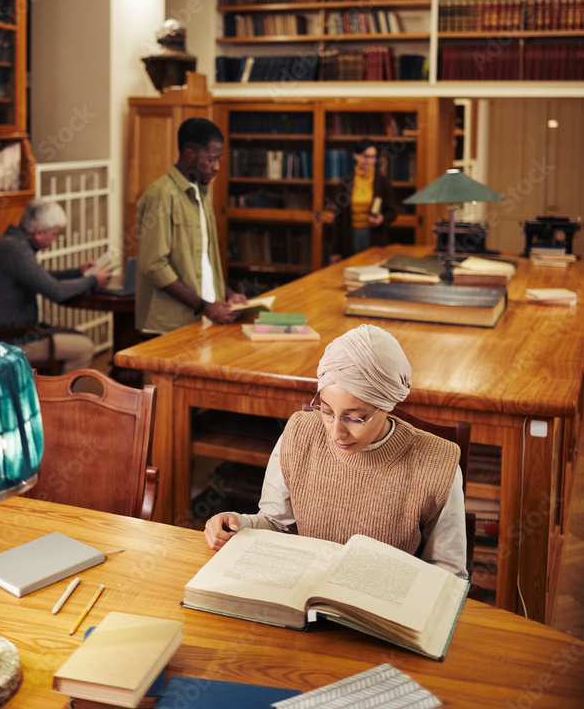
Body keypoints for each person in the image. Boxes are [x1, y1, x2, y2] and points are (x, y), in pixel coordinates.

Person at [204, 324, 467, 578]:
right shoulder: (299, 434)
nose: (335, 433)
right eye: (327, 411)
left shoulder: (438, 465)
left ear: (387, 406)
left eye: (354, 418)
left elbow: (448, 573)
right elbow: (276, 525)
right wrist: (238, 525)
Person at [0, 198, 111, 372]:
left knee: (76, 337)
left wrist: (78, 273)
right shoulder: (17, 251)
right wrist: (93, 280)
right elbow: (56, 291)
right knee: (84, 347)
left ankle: (52, 393)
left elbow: (41, 278)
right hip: (5, 341)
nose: (55, 239)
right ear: (38, 233)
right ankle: (63, 398)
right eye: (54, 234)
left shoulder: (11, 243)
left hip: (2, 333)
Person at [135, 117, 246, 334]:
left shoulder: (202, 193)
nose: (217, 167)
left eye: (219, 159)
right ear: (189, 154)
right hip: (168, 324)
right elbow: (154, 266)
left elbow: (203, 262)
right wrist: (204, 307)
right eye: (212, 159)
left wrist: (228, 293)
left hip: (202, 318)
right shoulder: (162, 195)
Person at [329, 139, 398, 261]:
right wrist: (335, 251)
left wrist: (382, 219)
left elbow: (392, 212)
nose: (369, 160)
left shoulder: (382, 182)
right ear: (356, 155)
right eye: (366, 156)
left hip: (374, 236)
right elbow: (338, 220)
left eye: (373, 157)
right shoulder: (345, 183)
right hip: (350, 236)